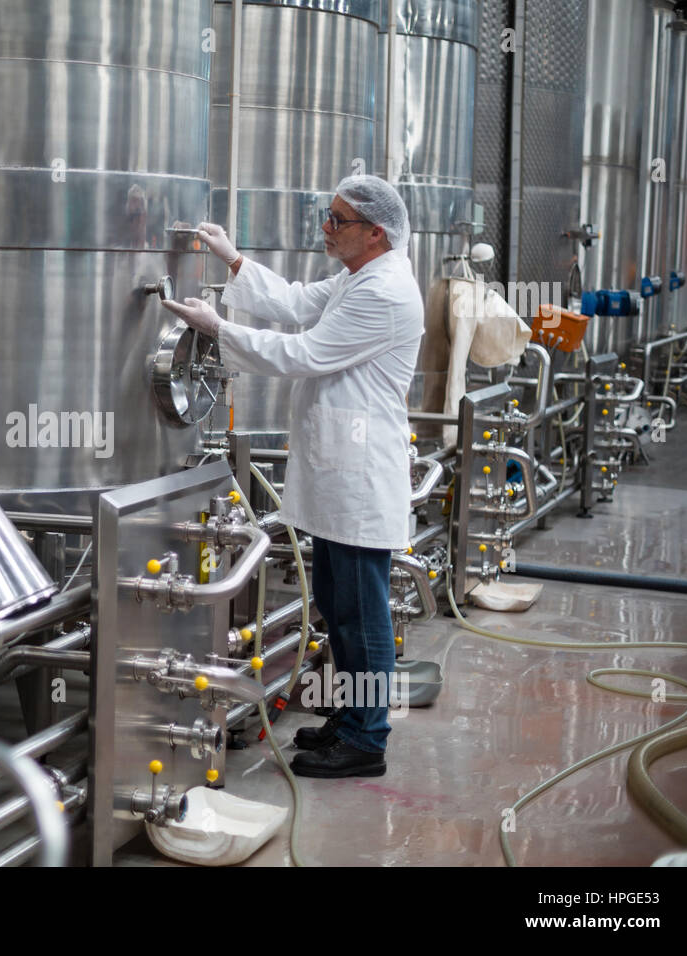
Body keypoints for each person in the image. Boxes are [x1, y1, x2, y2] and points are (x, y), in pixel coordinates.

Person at [163, 175, 423, 778]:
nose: (326, 229)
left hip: (359, 477)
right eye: (327, 216)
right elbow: (297, 302)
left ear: (375, 233)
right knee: (337, 601)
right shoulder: (359, 276)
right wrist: (234, 261)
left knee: (362, 613)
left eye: (338, 220)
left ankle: (367, 740)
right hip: (337, 472)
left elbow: (304, 352)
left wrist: (217, 329)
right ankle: (350, 718)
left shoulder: (384, 291)